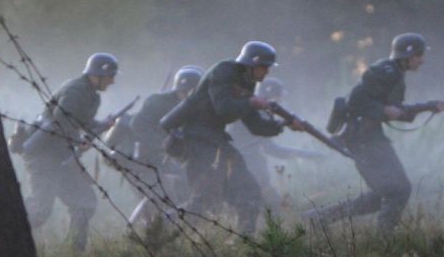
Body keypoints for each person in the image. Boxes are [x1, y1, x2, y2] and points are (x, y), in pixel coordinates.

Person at [305, 33, 444, 233]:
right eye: (419, 55)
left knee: (385, 192)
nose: (422, 60)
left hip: (368, 138)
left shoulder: (393, 72)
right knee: (398, 190)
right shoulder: (389, 71)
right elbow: (356, 99)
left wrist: (430, 107)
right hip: (363, 138)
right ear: (408, 55)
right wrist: (382, 110)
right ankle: (384, 240)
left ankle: (320, 217)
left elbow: (394, 109)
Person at [160, 41, 305, 235]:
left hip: (216, 142)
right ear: (251, 64)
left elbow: (255, 125)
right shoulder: (224, 71)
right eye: (264, 67)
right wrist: (251, 101)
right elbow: (224, 109)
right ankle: (156, 230)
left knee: (249, 195)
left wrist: (283, 124)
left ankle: (245, 243)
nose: (267, 72)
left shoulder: (247, 82)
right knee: (204, 202)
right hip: (197, 142)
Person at [21, 52, 120, 251]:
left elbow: (79, 121)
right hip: (45, 155)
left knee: (84, 203)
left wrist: (102, 125)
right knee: (40, 211)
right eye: (110, 76)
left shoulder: (90, 94)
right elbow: (61, 122)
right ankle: (2, 236)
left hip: (62, 155)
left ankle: (74, 255)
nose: (112, 81)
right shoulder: (76, 91)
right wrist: (78, 140)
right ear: (98, 74)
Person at [227, 76, 322, 211]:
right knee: (274, 207)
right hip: (247, 165)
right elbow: (273, 150)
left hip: (242, 165)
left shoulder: (255, 111)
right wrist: (310, 155)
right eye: (278, 98)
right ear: (270, 97)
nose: (280, 102)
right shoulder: (258, 113)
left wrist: (308, 154)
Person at [125, 65, 202, 226]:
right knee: (157, 197)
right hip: (145, 159)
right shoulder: (157, 102)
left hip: (171, 160)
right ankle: (136, 231)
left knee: (182, 193)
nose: (186, 95)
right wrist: (163, 142)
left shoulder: (197, 107)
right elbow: (138, 125)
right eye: (183, 91)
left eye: (191, 91)